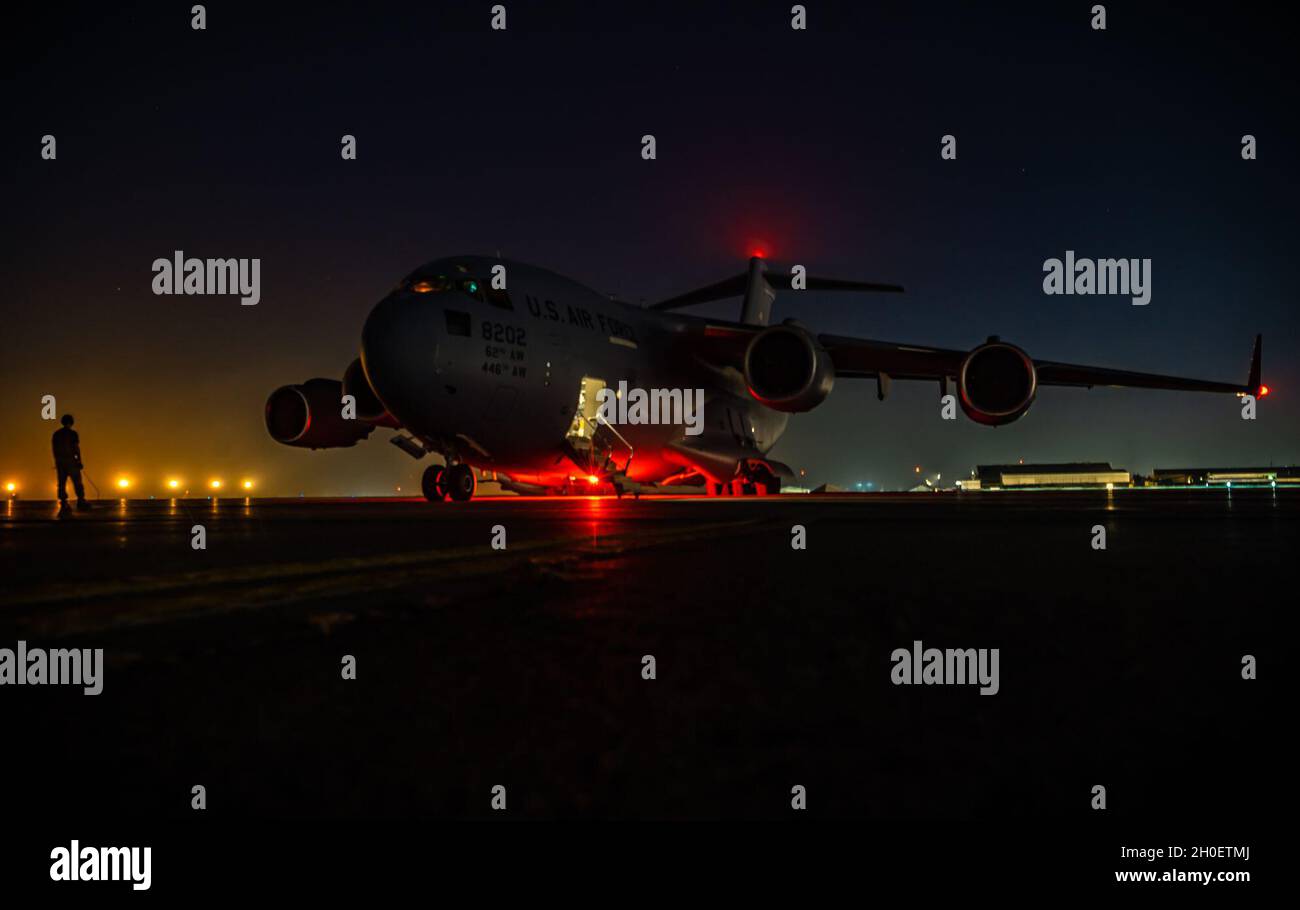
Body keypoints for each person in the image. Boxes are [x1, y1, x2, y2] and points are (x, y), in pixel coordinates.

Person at [52, 414, 89, 510]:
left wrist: (57, 461)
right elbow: (76, 448)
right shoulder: (72, 434)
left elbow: (54, 450)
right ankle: (81, 500)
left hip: (60, 462)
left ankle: (63, 502)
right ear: (71, 422)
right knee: (77, 482)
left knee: (61, 483)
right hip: (71, 461)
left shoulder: (56, 434)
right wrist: (79, 461)